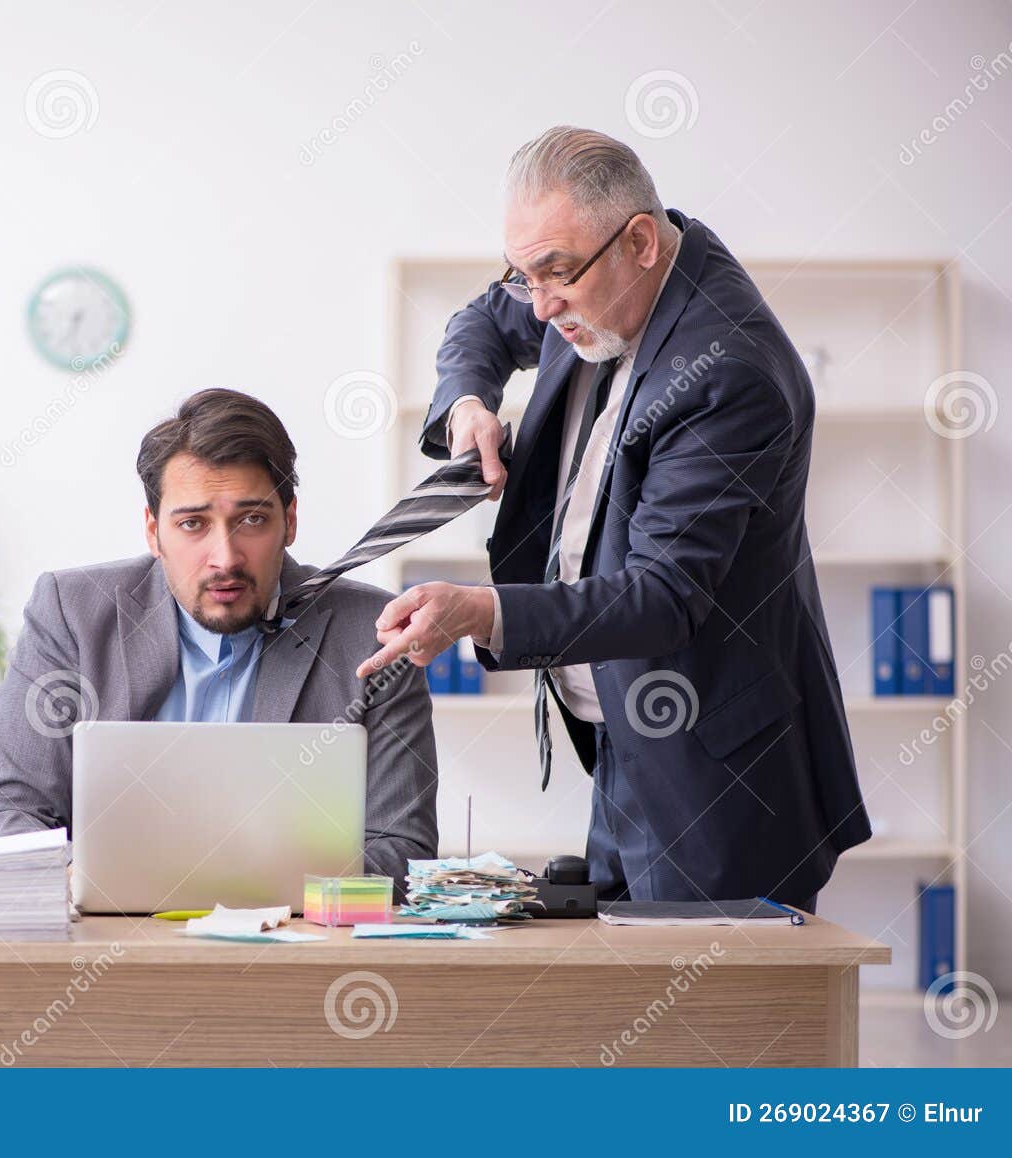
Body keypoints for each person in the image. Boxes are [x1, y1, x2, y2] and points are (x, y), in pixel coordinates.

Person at [357, 126, 870, 911]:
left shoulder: (727, 373)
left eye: (555, 274)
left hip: (722, 781)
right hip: (627, 738)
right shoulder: (594, 289)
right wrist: (468, 403)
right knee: (618, 970)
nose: (539, 305)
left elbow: (663, 595)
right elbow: (483, 322)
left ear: (639, 242)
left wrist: (481, 613)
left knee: (705, 989)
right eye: (524, 274)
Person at [0, 387, 438, 882]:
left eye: (252, 519)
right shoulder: (70, 614)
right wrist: (85, 876)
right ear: (153, 531)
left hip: (294, 931)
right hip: (104, 926)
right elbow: (4, 815)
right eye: (193, 524)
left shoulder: (374, 631)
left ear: (289, 521)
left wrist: (226, 881)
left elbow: (403, 851)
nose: (226, 558)